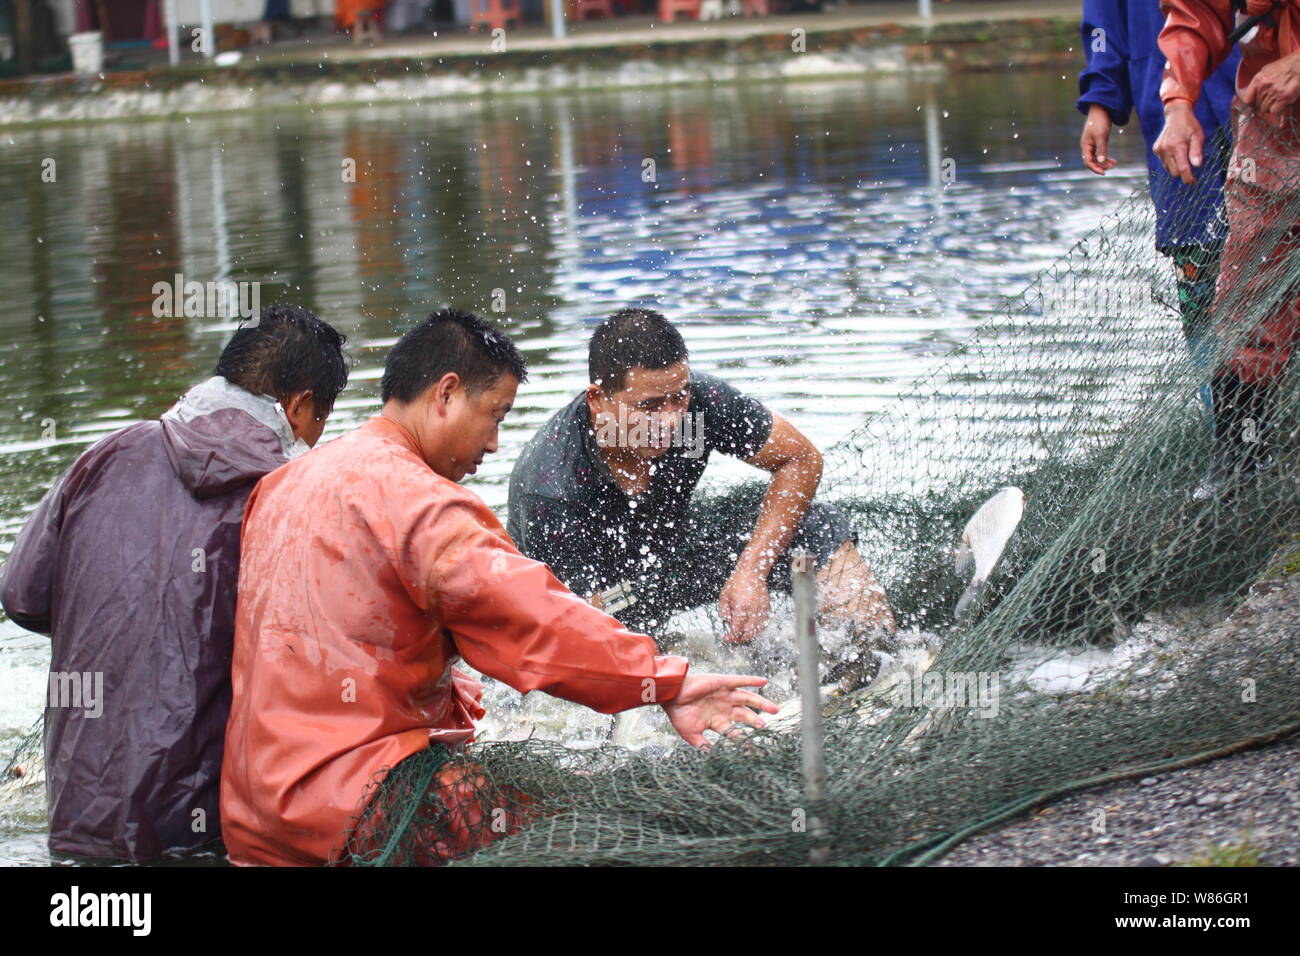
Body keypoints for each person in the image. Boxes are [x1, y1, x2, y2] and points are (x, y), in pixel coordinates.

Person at [220, 308, 775, 867]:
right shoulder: (422, 502)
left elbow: (338, 638)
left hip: (254, 818)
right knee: (600, 822)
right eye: (495, 416)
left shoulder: (282, 483)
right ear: (447, 393)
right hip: (361, 810)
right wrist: (667, 683)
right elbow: (537, 624)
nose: (493, 445)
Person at [0, 304, 349, 862]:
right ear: (300, 404)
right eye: (319, 423)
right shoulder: (291, 494)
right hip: (207, 822)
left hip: (80, 814)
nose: (313, 437)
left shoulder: (103, 455)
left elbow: (22, 595)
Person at [506, 308, 897, 676]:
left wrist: (750, 572)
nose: (671, 419)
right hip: (602, 595)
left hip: (674, 555)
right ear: (598, 401)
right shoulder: (551, 489)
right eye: (649, 406)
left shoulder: (700, 406)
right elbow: (572, 623)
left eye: (679, 398)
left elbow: (800, 459)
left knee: (813, 524)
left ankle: (874, 659)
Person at [1153, 0, 1300, 488]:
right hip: (1272, 117)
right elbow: (1195, 13)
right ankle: (1239, 460)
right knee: (1245, 295)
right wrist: (1178, 104)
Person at [1078, 0, 1241, 414]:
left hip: (1257, 96)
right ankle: (1223, 425)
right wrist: (1100, 103)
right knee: (1198, 272)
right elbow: (1103, 23)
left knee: (1277, 256)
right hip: (1171, 125)